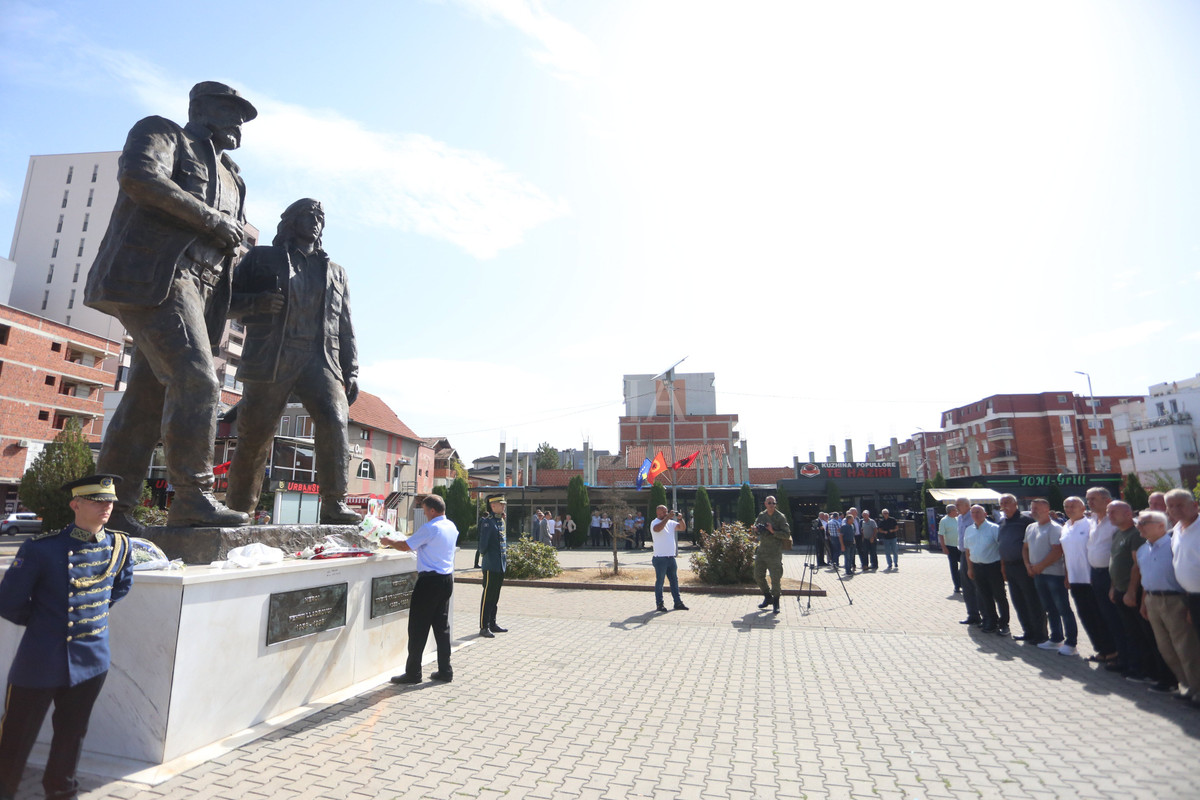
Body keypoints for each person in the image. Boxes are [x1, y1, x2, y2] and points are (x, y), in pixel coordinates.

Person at [84, 81, 258, 530]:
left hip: (203, 289)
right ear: (201, 108)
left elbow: (229, 245)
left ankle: (114, 511)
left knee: (146, 398)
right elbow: (139, 177)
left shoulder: (236, 178)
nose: (240, 121)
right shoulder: (162, 133)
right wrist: (211, 218)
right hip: (159, 274)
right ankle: (192, 496)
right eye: (231, 109)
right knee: (198, 379)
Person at [224, 198, 360, 523]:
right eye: (308, 215)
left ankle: (334, 503)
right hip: (272, 356)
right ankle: (239, 509)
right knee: (255, 432)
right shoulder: (262, 258)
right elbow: (224, 300)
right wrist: (256, 303)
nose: (315, 221)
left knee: (335, 421)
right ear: (291, 221)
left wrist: (351, 370)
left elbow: (346, 326)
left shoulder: (336, 272)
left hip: (320, 359)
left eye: (320, 217)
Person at [0, 474, 134, 800]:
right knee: (16, 736)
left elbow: (119, 587)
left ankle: (62, 792)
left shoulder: (120, 545)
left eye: (110, 501)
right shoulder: (42, 548)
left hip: (92, 660)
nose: (106, 507)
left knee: (72, 734)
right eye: (97, 500)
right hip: (41, 658)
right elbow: (8, 602)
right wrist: (49, 623)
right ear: (76, 504)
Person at [384, 495, 458, 684]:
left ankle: (413, 673)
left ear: (432, 510)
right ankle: (445, 671)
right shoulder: (451, 526)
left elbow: (405, 546)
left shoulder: (430, 528)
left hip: (429, 583)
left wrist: (388, 541)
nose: (424, 514)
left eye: (425, 510)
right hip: (446, 580)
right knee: (442, 629)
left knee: (418, 628)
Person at [1135, 510, 1200, 703]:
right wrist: (1144, 602)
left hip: (1174, 601)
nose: (1139, 526)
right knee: (1166, 649)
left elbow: (1184, 574)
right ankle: (1187, 686)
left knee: (1186, 649)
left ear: (1161, 526)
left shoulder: (1173, 545)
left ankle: (1197, 690)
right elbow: (1145, 578)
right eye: (1139, 522)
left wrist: (1189, 606)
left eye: (1144, 523)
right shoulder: (1142, 549)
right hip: (1152, 601)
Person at [1107, 500, 1171, 688]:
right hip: (1120, 589)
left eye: (1114, 512)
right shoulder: (1118, 533)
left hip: (1134, 592)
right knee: (1130, 633)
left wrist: (1131, 591)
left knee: (1144, 635)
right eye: (1109, 512)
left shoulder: (1136, 535)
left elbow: (1137, 566)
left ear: (1128, 513)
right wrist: (1113, 587)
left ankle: (1149, 671)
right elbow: (1114, 561)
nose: (1110, 515)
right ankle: (1134, 666)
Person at [1059, 496, 1117, 663]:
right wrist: (1067, 575)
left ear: (1083, 508)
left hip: (1091, 579)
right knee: (1086, 617)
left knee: (1100, 616)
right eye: (1066, 506)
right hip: (1075, 580)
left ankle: (1111, 651)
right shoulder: (1065, 526)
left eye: (1073, 506)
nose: (1069, 509)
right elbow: (1066, 554)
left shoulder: (1090, 524)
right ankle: (1100, 650)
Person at [1023, 498, 1078, 655]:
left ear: (1047, 510)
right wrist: (1028, 565)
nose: (1034, 511)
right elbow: (1025, 548)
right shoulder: (1030, 527)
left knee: (1063, 609)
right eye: (1032, 508)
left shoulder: (1055, 528)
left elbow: (1057, 551)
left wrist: (1040, 566)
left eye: (1037, 509)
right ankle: (1055, 638)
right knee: (1049, 609)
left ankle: (1071, 643)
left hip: (1054, 575)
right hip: (1038, 574)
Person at [1087, 487, 1131, 675]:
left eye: (1093, 499)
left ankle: (1126, 658)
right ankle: (1113, 653)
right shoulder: (1092, 520)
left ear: (1106, 500)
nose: (1089, 503)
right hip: (1096, 574)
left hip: (1111, 576)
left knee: (1117, 618)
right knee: (1105, 617)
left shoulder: (1114, 522)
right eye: (1088, 499)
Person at [997, 494, 1047, 645]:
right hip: (1010, 567)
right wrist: (1003, 568)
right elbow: (1002, 545)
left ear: (1015, 504)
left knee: (1032, 601)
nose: (1004, 506)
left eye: (1007, 502)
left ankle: (1040, 634)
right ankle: (1027, 631)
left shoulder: (1026, 521)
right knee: (1018, 601)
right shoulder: (1002, 522)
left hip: (1024, 566)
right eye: (1002, 503)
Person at [963, 504, 1010, 635]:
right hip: (977, 567)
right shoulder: (969, 530)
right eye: (973, 512)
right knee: (985, 596)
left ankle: (1004, 623)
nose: (975, 515)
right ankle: (991, 621)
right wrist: (970, 568)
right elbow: (968, 551)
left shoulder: (994, 528)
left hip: (993, 567)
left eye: (978, 512)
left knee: (999, 596)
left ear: (985, 514)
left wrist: (1003, 569)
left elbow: (1001, 549)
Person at [1165, 488, 1200, 639]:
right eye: (1170, 506)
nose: (1175, 509)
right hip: (1192, 597)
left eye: (1180, 505)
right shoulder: (1176, 531)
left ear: (1195, 505)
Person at [474, 493, 508, 639]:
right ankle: (484, 626)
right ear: (493, 506)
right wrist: (486, 557)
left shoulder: (501, 521)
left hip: (500, 565)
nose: (503, 505)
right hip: (491, 564)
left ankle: (492, 623)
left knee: (495, 596)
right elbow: (482, 546)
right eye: (501, 504)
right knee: (488, 596)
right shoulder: (488, 523)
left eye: (504, 503)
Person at [753, 497, 792, 613]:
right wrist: (755, 530)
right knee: (758, 575)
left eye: (773, 503)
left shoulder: (780, 517)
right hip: (762, 551)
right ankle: (767, 596)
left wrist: (772, 531)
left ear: (775, 504)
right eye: (769, 503)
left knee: (775, 578)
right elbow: (755, 529)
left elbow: (786, 534)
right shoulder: (761, 515)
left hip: (774, 552)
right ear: (765, 504)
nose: (771, 505)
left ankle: (776, 602)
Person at [650, 505, 689, 612]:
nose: (666, 514)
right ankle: (660, 604)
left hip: (671, 558)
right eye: (664, 512)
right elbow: (657, 529)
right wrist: (668, 518)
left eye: (666, 511)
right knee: (660, 582)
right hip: (660, 558)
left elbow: (682, 528)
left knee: (674, 581)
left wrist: (680, 519)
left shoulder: (670, 523)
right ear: (658, 513)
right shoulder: (654, 522)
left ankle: (678, 603)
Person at [956, 497, 982, 626]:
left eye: (958, 505)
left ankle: (984, 614)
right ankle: (972, 614)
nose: (956, 507)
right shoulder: (960, 518)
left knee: (977, 585)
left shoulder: (973, 517)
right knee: (966, 586)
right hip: (963, 554)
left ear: (967, 505)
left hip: (974, 555)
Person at [938, 504, 963, 591]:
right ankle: (957, 585)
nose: (957, 511)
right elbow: (941, 534)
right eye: (955, 510)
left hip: (960, 546)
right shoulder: (944, 520)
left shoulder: (958, 519)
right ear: (951, 511)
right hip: (950, 547)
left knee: (964, 565)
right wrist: (943, 547)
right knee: (954, 566)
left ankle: (962, 582)